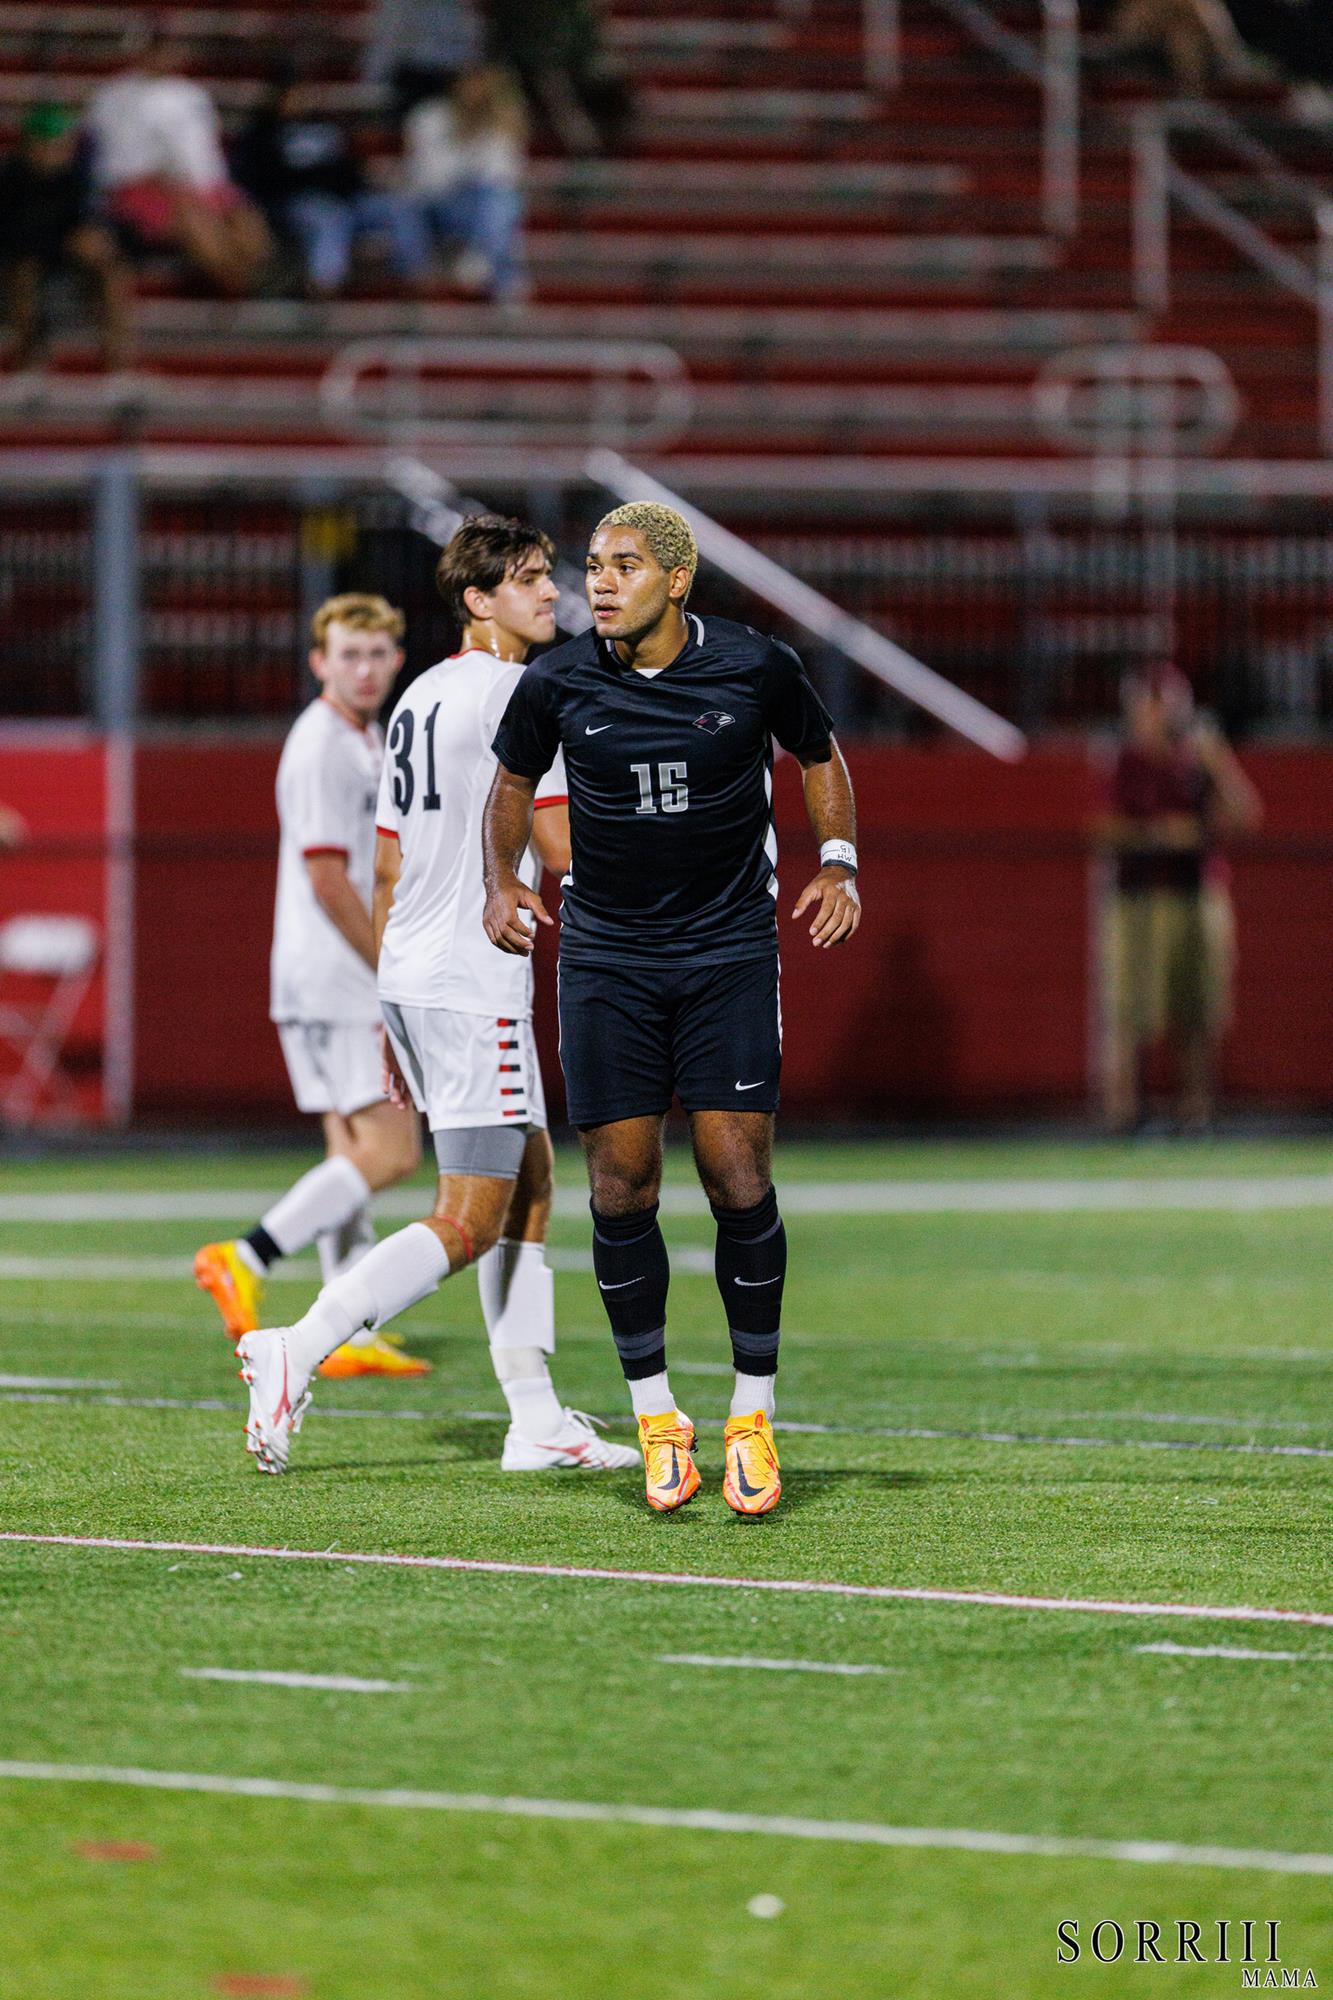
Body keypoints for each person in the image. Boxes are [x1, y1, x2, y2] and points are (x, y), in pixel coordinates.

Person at [236, 517, 638, 1479]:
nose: (552, 593)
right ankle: (299, 1342)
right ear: (478, 598)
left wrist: (388, 997)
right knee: (471, 1214)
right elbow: (558, 846)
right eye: (532, 579)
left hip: (418, 975)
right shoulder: (517, 692)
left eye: (549, 576)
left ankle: (534, 1416)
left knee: (533, 1180)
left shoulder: (418, 698)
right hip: (471, 982)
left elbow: (386, 866)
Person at [481, 502, 862, 1516]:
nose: (596, 583)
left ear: (677, 580)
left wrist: (838, 863)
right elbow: (511, 781)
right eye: (591, 566)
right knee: (620, 1185)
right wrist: (498, 879)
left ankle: (751, 1413)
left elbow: (819, 755)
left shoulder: (753, 664)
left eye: (623, 566)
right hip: (606, 958)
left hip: (727, 951)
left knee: (737, 1169)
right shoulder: (557, 679)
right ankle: (656, 1415)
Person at [195, 594, 427, 1381]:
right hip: (338, 975)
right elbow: (329, 881)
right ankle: (247, 1255)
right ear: (320, 662)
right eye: (348, 655)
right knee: (395, 1151)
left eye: (376, 654)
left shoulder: (358, 740)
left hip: (323, 975)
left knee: (352, 1152)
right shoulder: (324, 743)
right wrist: (387, 967)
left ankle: (345, 1323)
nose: (363, 669)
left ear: (396, 660)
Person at [1097, 663, 1262, 1134]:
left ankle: (1196, 1113)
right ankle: (1123, 1113)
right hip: (1141, 896)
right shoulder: (1126, 760)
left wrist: (1219, 762)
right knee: (1131, 1012)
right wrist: (1157, 833)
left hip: (1197, 892)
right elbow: (1102, 828)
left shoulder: (1200, 757)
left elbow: (1247, 815)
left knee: (1199, 1009)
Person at [87, 25, 269, 297]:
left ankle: (245, 285)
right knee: (196, 222)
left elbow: (205, 153)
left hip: (202, 186)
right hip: (142, 188)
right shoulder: (115, 96)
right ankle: (237, 291)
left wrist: (210, 189)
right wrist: (166, 183)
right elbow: (115, 159)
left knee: (248, 225)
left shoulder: (192, 95)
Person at [235, 71, 428, 299]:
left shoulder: (330, 128)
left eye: (306, 95)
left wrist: (331, 178)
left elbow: (350, 173)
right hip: (296, 205)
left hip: (346, 199)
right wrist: (314, 178)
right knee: (327, 215)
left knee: (397, 208)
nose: (301, 101)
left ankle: (414, 280)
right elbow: (266, 180)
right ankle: (324, 286)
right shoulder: (261, 135)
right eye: (294, 95)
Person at [0, 104, 133, 373]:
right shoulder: (10, 180)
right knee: (23, 273)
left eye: (58, 146)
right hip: (21, 259)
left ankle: (118, 358)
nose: (51, 154)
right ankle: (27, 352)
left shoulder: (79, 178)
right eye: (44, 146)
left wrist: (95, 240)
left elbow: (101, 224)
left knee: (111, 269)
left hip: (65, 258)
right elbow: (11, 237)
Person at [403, 68, 528, 303]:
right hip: (434, 206)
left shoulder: (496, 123)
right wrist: (466, 171)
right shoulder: (430, 116)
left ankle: (482, 257)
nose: (477, 94)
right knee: (500, 207)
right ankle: (501, 275)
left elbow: (504, 174)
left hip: (479, 207)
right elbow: (427, 178)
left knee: (502, 201)